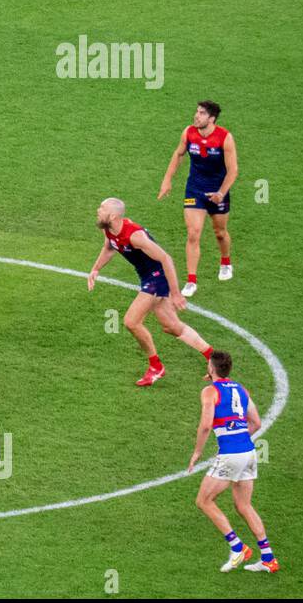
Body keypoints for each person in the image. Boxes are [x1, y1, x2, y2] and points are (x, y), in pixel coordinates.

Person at [88, 198, 213, 386]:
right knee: (170, 326)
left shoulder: (135, 236)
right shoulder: (109, 229)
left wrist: (176, 293)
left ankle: (156, 367)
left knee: (132, 321)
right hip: (147, 277)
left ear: (113, 215)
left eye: (102, 208)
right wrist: (96, 269)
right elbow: (109, 247)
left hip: (157, 277)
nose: (98, 210)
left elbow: (166, 258)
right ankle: (214, 358)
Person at [187, 350, 278, 573]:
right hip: (248, 451)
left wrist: (198, 452)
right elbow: (255, 422)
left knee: (204, 500)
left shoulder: (209, 391)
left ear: (211, 368)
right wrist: (238, 436)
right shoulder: (241, 389)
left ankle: (237, 547)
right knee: (244, 505)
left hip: (230, 454)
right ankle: (268, 558)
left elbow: (207, 424)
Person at [157, 100, 238, 297]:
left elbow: (233, 170)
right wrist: (167, 180)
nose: (196, 116)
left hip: (218, 191)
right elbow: (178, 155)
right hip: (195, 190)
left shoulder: (224, 138)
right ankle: (191, 281)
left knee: (220, 232)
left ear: (211, 119)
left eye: (201, 113)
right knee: (193, 233)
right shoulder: (189, 132)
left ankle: (226, 262)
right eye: (197, 112)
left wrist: (221, 193)